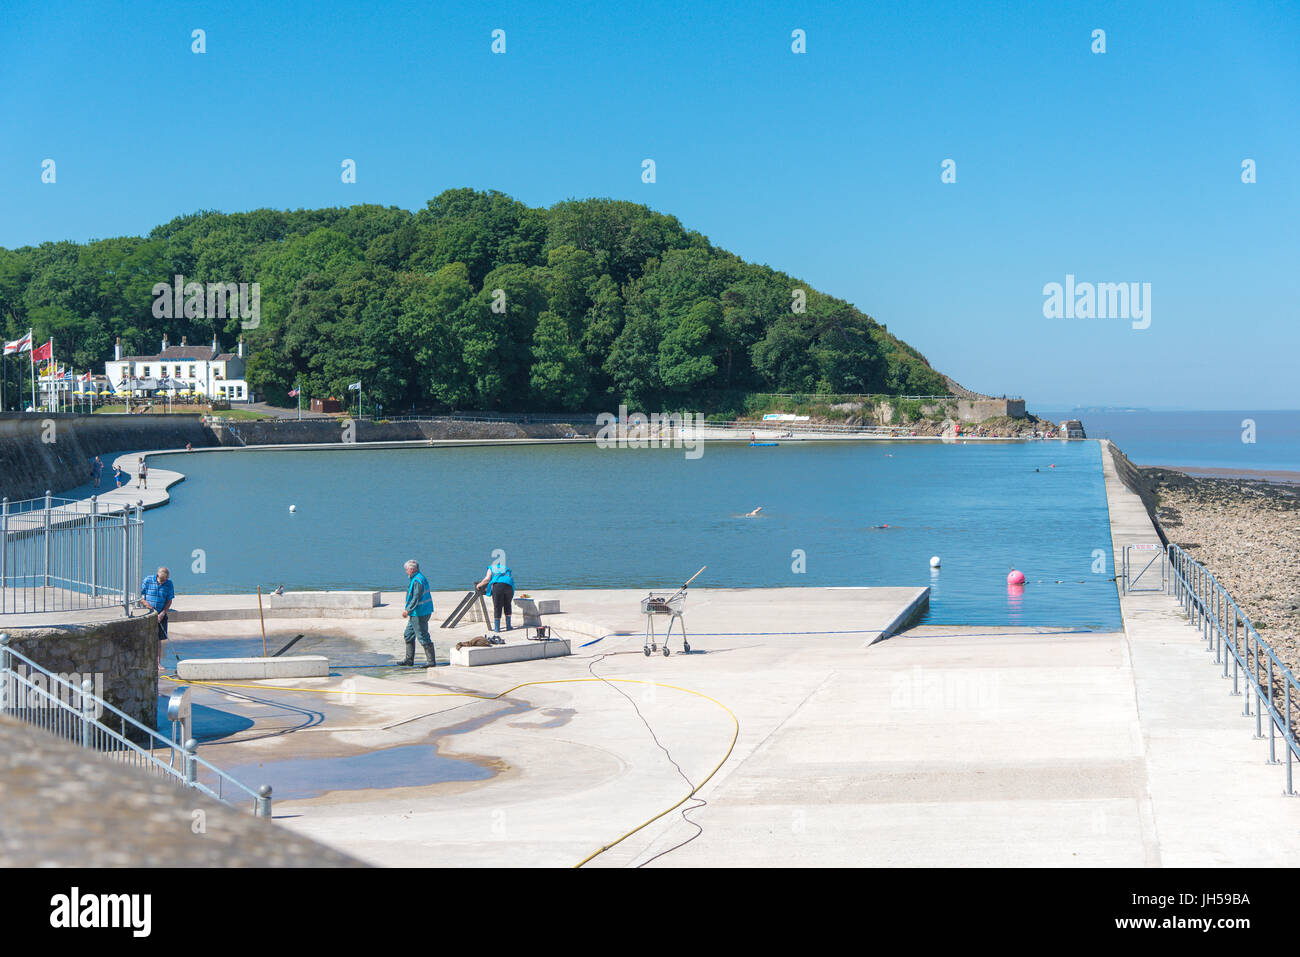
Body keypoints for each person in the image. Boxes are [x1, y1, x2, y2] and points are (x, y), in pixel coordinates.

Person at [397, 559, 436, 666]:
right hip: (417, 613)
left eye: (406, 569)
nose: (405, 572)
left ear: (412, 569)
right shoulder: (417, 577)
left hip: (420, 613)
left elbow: (416, 597)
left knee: (422, 636)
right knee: (408, 634)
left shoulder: (417, 580)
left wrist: (407, 610)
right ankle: (409, 660)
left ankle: (431, 661)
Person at [140, 566, 175, 671]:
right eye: (162, 579)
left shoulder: (169, 583)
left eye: (166, 579)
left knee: (158, 639)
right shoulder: (148, 580)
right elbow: (141, 597)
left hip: (161, 614)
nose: (164, 581)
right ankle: (145, 662)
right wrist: (148, 606)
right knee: (146, 639)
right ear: (157, 575)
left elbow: (169, 600)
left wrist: (162, 613)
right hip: (148, 613)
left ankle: (158, 663)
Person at [476, 559, 515, 633]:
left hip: (498, 586)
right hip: (509, 586)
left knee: (497, 606)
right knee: (507, 605)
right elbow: (508, 578)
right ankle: (508, 626)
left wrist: (479, 585)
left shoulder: (491, 568)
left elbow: (487, 580)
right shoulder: (506, 568)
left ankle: (497, 629)